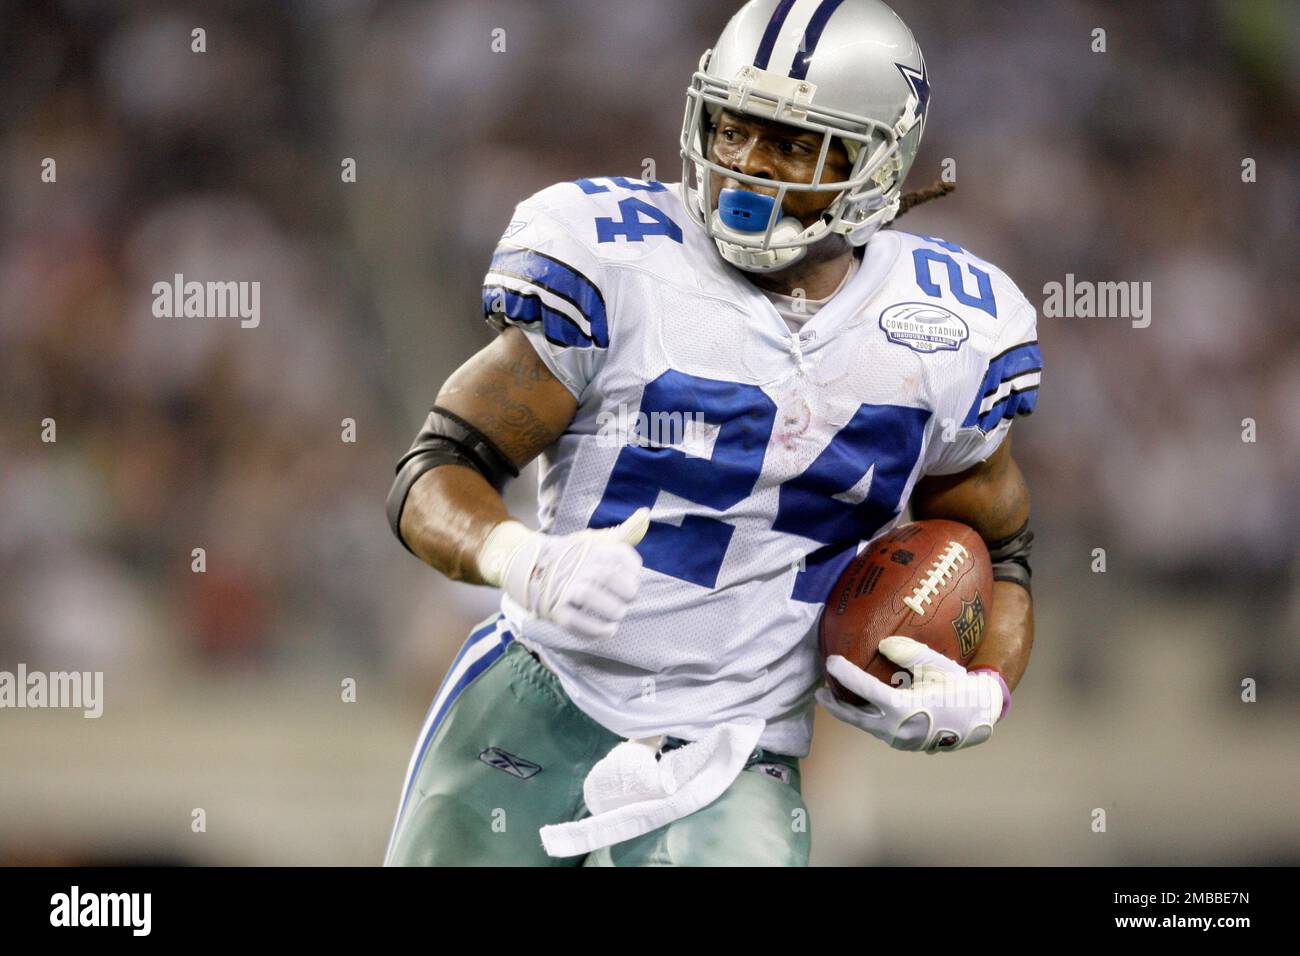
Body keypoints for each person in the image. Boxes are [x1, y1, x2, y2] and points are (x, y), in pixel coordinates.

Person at [383, 0, 1039, 867]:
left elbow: (1005, 548)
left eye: (792, 143)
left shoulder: (948, 329)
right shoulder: (617, 258)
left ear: (876, 164)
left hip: (741, 752)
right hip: (539, 695)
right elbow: (437, 468)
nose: (744, 167)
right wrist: (523, 559)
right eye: (733, 129)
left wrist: (984, 690)